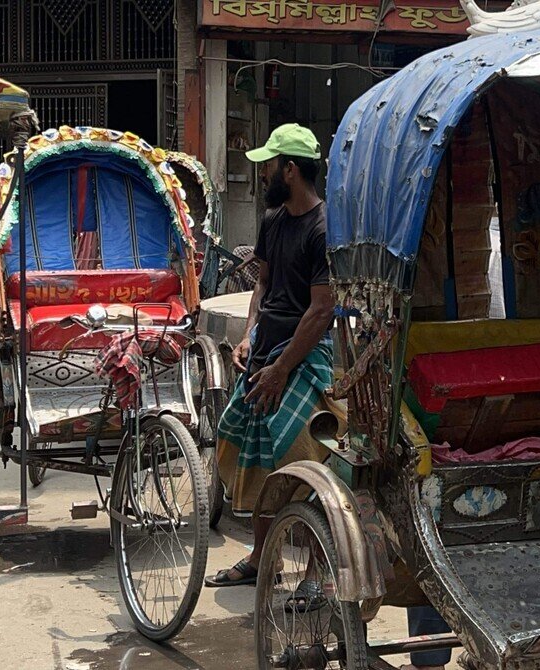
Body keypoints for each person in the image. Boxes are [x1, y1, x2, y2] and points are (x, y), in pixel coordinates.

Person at [205, 123, 339, 588]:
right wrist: (248, 336)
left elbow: (321, 309)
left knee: (299, 456)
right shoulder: (272, 221)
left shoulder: (324, 229)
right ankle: (265, 558)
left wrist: (283, 370)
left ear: (290, 169)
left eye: (268, 167)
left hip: (306, 355)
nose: (262, 175)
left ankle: (319, 572)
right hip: (266, 350)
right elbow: (262, 283)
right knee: (243, 439)